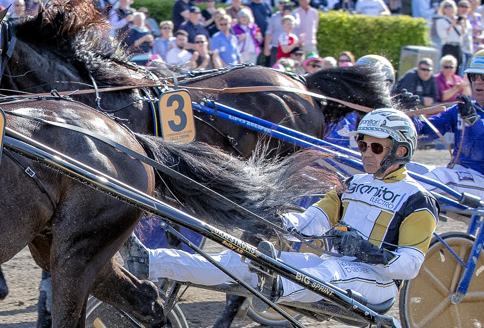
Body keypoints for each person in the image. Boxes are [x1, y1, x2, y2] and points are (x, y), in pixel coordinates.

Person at [126, 109, 437, 311]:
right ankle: (151, 261)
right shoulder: (352, 184)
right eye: (363, 146)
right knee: (237, 262)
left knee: (327, 271)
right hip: (334, 270)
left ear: (401, 151)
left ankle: (276, 284)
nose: (367, 153)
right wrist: (278, 219)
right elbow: (312, 222)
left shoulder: (416, 198)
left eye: (376, 147)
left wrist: (370, 252)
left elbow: (410, 265)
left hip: (376, 282)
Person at [416, 49, 484, 204]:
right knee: (408, 172)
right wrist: (410, 116)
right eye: (474, 76)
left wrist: (476, 123)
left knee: (441, 176)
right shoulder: (461, 109)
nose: (478, 81)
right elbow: (425, 131)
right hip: (457, 177)